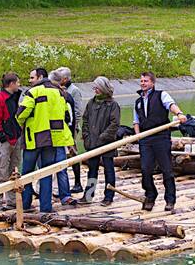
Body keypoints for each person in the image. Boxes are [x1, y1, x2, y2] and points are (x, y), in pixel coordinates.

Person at [16, 67, 76, 212]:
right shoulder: (60, 93)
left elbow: (21, 114)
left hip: (34, 140)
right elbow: (67, 117)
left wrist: (25, 124)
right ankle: (46, 207)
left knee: (28, 174)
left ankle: (25, 205)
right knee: (47, 173)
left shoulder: (34, 92)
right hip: (52, 140)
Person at [134, 71, 187, 212]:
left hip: (161, 137)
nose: (143, 83)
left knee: (166, 170)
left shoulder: (161, 95)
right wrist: (138, 136)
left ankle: (170, 200)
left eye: (145, 81)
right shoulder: (138, 102)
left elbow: (171, 105)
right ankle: (150, 195)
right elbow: (136, 122)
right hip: (146, 139)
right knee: (145, 169)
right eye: (141, 81)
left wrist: (179, 113)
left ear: (152, 83)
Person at [81, 75, 120, 205]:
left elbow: (114, 124)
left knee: (109, 170)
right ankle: (88, 196)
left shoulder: (113, 105)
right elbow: (85, 120)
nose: (95, 90)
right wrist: (86, 136)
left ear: (103, 88)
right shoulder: (91, 103)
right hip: (92, 143)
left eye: (97, 87)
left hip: (107, 144)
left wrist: (102, 137)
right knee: (92, 170)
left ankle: (109, 197)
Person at [0, 71, 23, 212]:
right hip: (4, 141)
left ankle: (11, 200)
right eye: (18, 82)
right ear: (12, 84)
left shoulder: (13, 98)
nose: (20, 85)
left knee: (14, 170)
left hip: (15, 139)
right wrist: (2, 137)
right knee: (0, 172)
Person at [54, 66, 84, 193]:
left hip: (72, 127)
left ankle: (78, 182)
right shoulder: (59, 90)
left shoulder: (74, 91)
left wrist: (73, 128)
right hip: (62, 128)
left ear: (65, 79)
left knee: (73, 153)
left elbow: (77, 111)